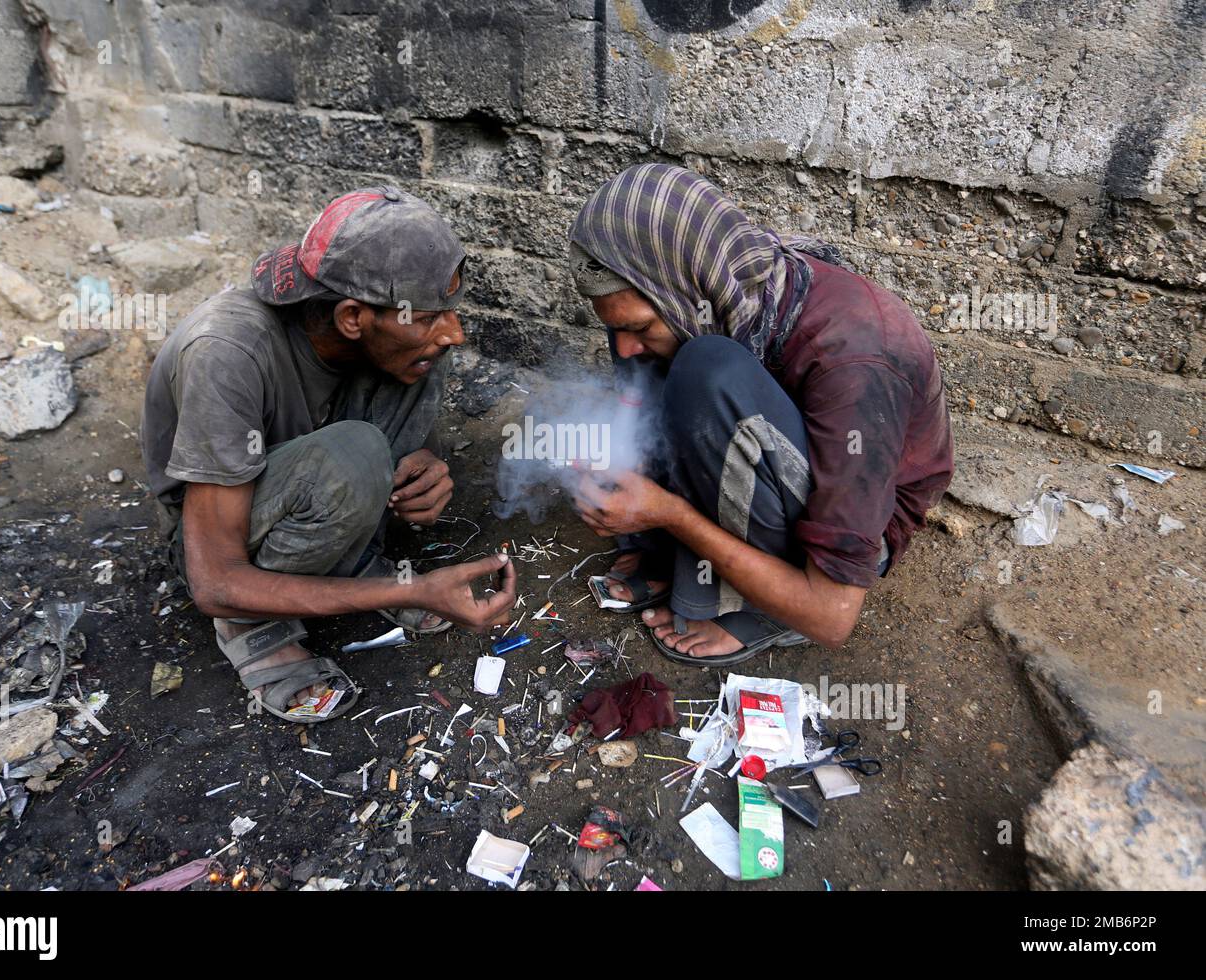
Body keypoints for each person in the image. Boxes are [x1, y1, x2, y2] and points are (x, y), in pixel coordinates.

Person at [141, 188, 515, 722]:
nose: (454, 332)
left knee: (418, 360)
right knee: (353, 452)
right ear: (351, 316)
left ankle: (352, 557)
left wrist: (428, 466)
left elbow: (412, 420)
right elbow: (215, 580)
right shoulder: (226, 353)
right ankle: (253, 627)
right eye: (430, 315)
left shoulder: (370, 333)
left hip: (307, 481)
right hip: (219, 543)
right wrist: (412, 587)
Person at [567, 164, 953, 665]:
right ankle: (685, 557)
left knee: (708, 369)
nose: (622, 344)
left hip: (856, 529)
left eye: (638, 322)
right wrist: (625, 475)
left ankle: (768, 607)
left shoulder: (856, 362)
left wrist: (668, 514)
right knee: (664, 350)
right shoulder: (728, 284)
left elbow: (832, 617)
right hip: (774, 444)